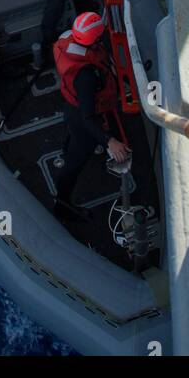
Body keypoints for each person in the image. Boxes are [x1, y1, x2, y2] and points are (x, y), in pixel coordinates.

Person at [52, 12, 130, 223]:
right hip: (82, 117)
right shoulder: (86, 75)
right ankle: (62, 203)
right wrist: (110, 141)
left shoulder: (69, 39)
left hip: (71, 105)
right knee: (75, 161)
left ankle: (66, 148)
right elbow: (88, 118)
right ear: (94, 40)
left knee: (70, 132)